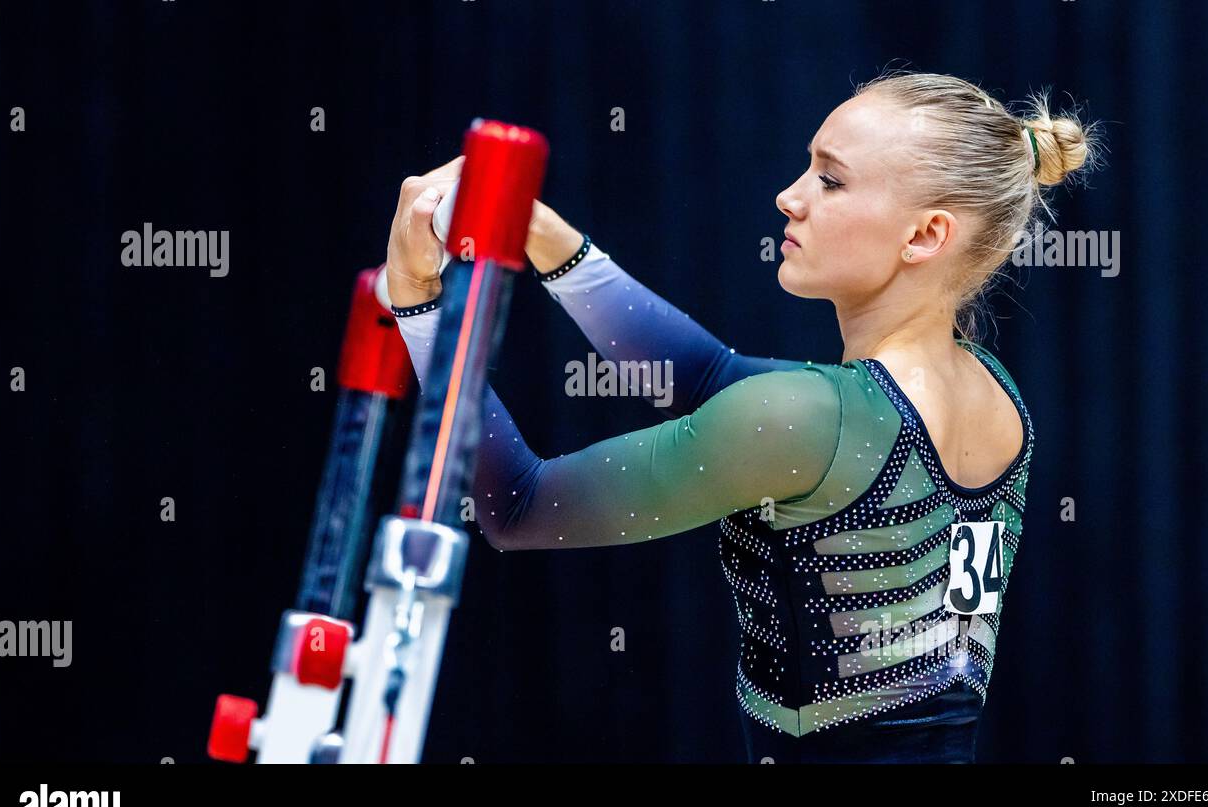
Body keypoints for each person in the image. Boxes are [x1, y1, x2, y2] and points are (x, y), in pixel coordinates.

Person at [381, 71, 1098, 763]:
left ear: (924, 236)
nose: (790, 197)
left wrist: (419, 303)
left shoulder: (813, 418)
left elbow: (516, 507)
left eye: (830, 179)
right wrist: (541, 234)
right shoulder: (994, 394)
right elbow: (706, 379)